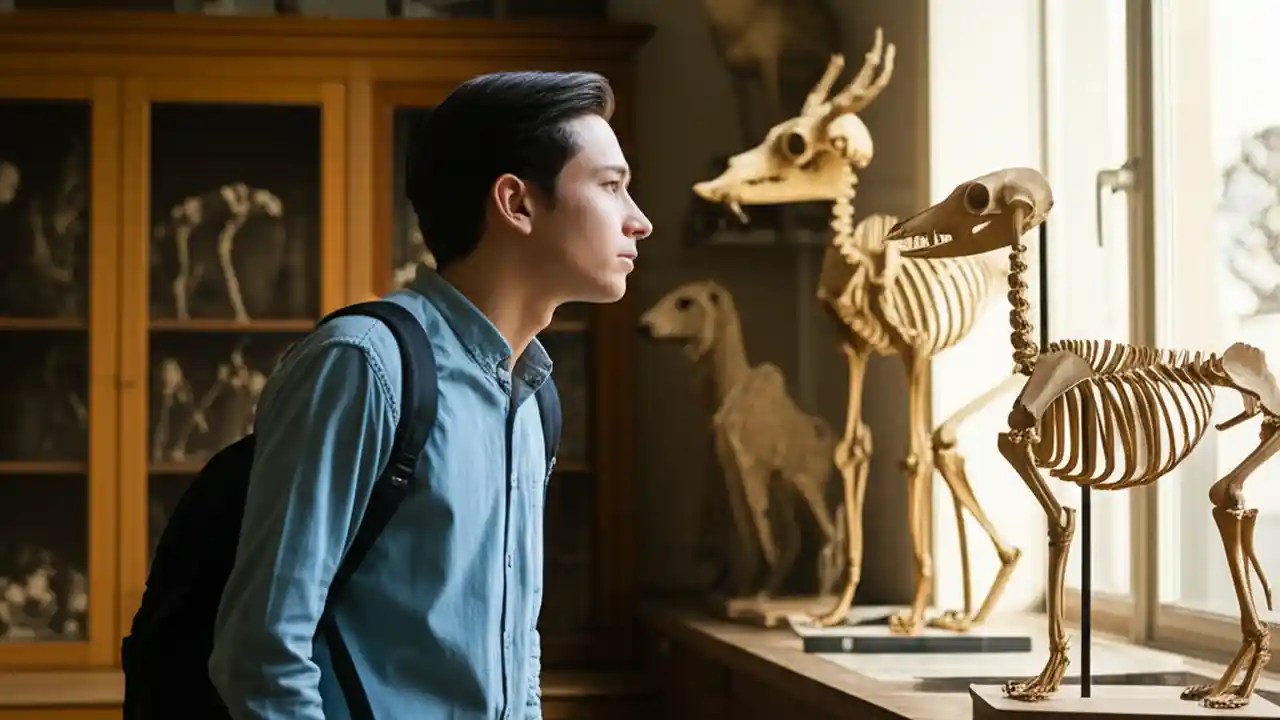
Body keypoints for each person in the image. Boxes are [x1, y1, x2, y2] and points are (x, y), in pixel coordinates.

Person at [207, 70, 652, 720]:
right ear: (517, 202)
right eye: (611, 187)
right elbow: (263, 652)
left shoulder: (533, 396)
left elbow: (516, 643)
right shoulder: (363, 364)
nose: (637, 221)